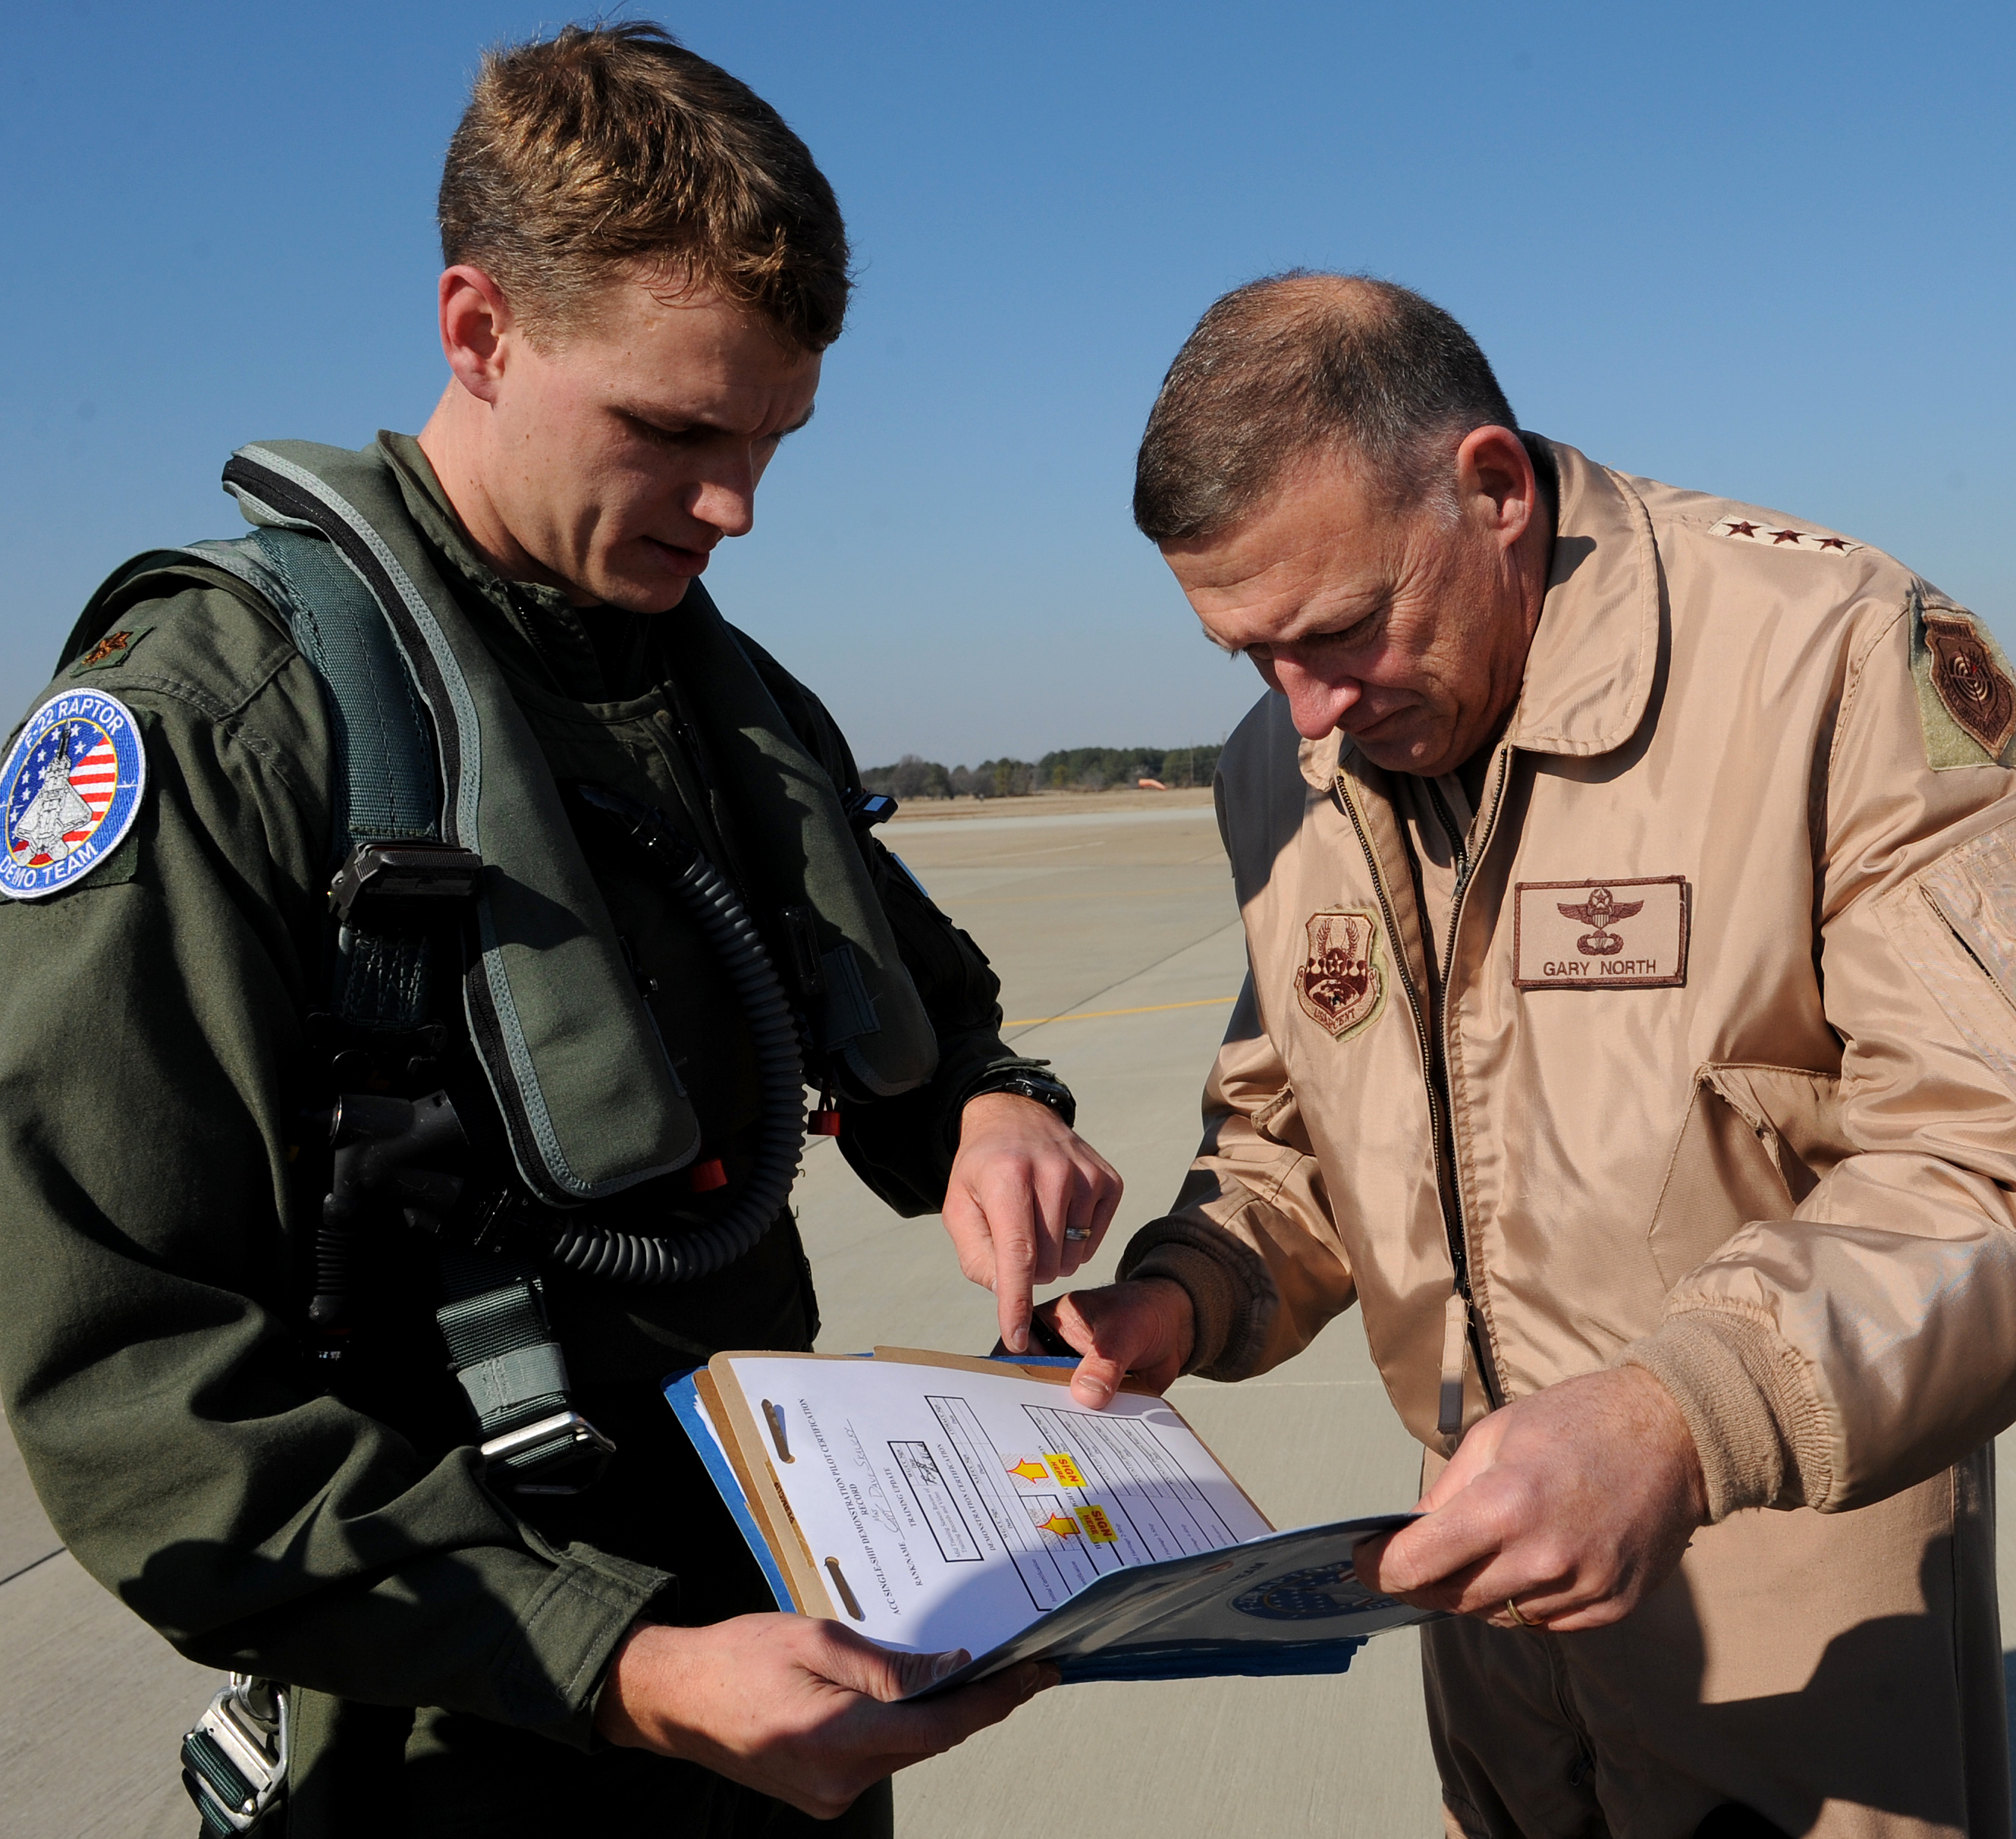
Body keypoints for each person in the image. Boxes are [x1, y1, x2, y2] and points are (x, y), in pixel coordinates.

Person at [0, 24, 1123, 1837]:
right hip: (459, 1711)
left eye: (773, 439)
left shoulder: (728, 701)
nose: (737, 505)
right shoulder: (217, 729)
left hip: (782, 1662)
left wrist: (991, 1108)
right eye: (676, 431)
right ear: (479, 332)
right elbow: (132, 1384)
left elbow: (904, 1016)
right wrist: (622, 1667)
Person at [1050, 272, 2016, 1837]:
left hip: (1789, 1553)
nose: (1308, 711)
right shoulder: (1289, 762)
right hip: (1484, 1577)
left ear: (1492, 488)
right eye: (1250, 657)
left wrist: (1676, 1416)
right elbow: (1298, 1131)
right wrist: (1186, 1289)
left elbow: (1989, 1155)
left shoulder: (1824, 657)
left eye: (1343, 629)